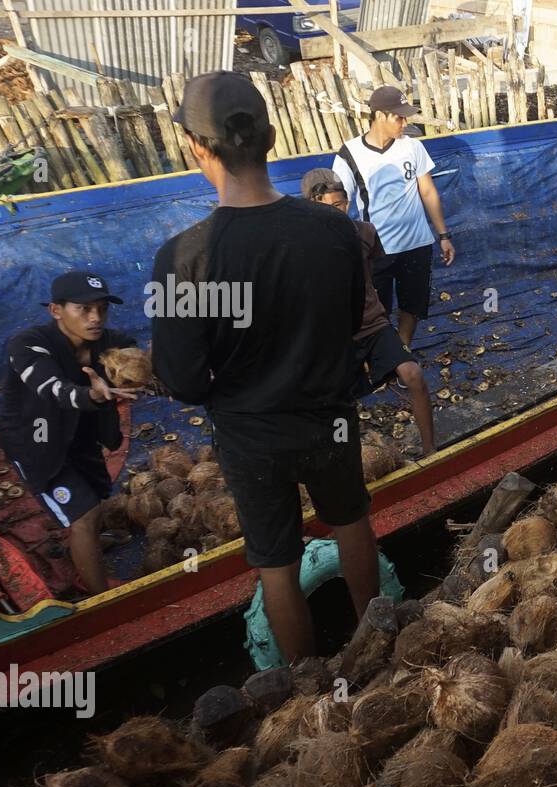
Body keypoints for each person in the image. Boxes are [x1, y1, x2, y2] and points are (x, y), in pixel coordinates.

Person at [151, 71, 379, 662]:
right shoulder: (332, 228)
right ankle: (383, 643)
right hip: (329, 419)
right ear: (272, 137)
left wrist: (227, 385)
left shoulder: (185, 257)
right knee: (351, 522)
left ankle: (305, 686)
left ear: (197, 147)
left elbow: (179, 380)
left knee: (277, 563)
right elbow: (353, 315)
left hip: (251, 436)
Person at [0, 272, 139, 595]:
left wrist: (143, 371)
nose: (96, 318)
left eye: (102, 309)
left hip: (80, 431)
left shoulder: (108, 341)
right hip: (37, 437)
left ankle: (88, 541)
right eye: (84, 309)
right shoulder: (27, 344)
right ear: (55, 310)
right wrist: (93, 395)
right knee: (84, 513)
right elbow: (54, 390)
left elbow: (133, 357)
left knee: (97, 492)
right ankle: (101, 596)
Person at [301, 168, 436, 455]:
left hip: (372, 324)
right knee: (338, 401)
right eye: (332, 206)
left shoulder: (364, 232)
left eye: (343, 204)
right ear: (313, 204)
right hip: (334, 334)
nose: (340, 211)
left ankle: (431, 451)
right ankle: (344, 457)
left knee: (413, 374)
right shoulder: (300, 244)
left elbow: (374, 272)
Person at [333, 85, 456, 351]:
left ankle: (403, 352)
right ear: (379, 116)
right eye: (399, 117)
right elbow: (340, 203)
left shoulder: (412, 147)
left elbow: (427, 190)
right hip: (378, 249)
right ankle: (384, 357)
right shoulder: (349, 154)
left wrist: (443, 235)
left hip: (417, 244)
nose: (405, 122)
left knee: (413, 305)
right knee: (379, 308)